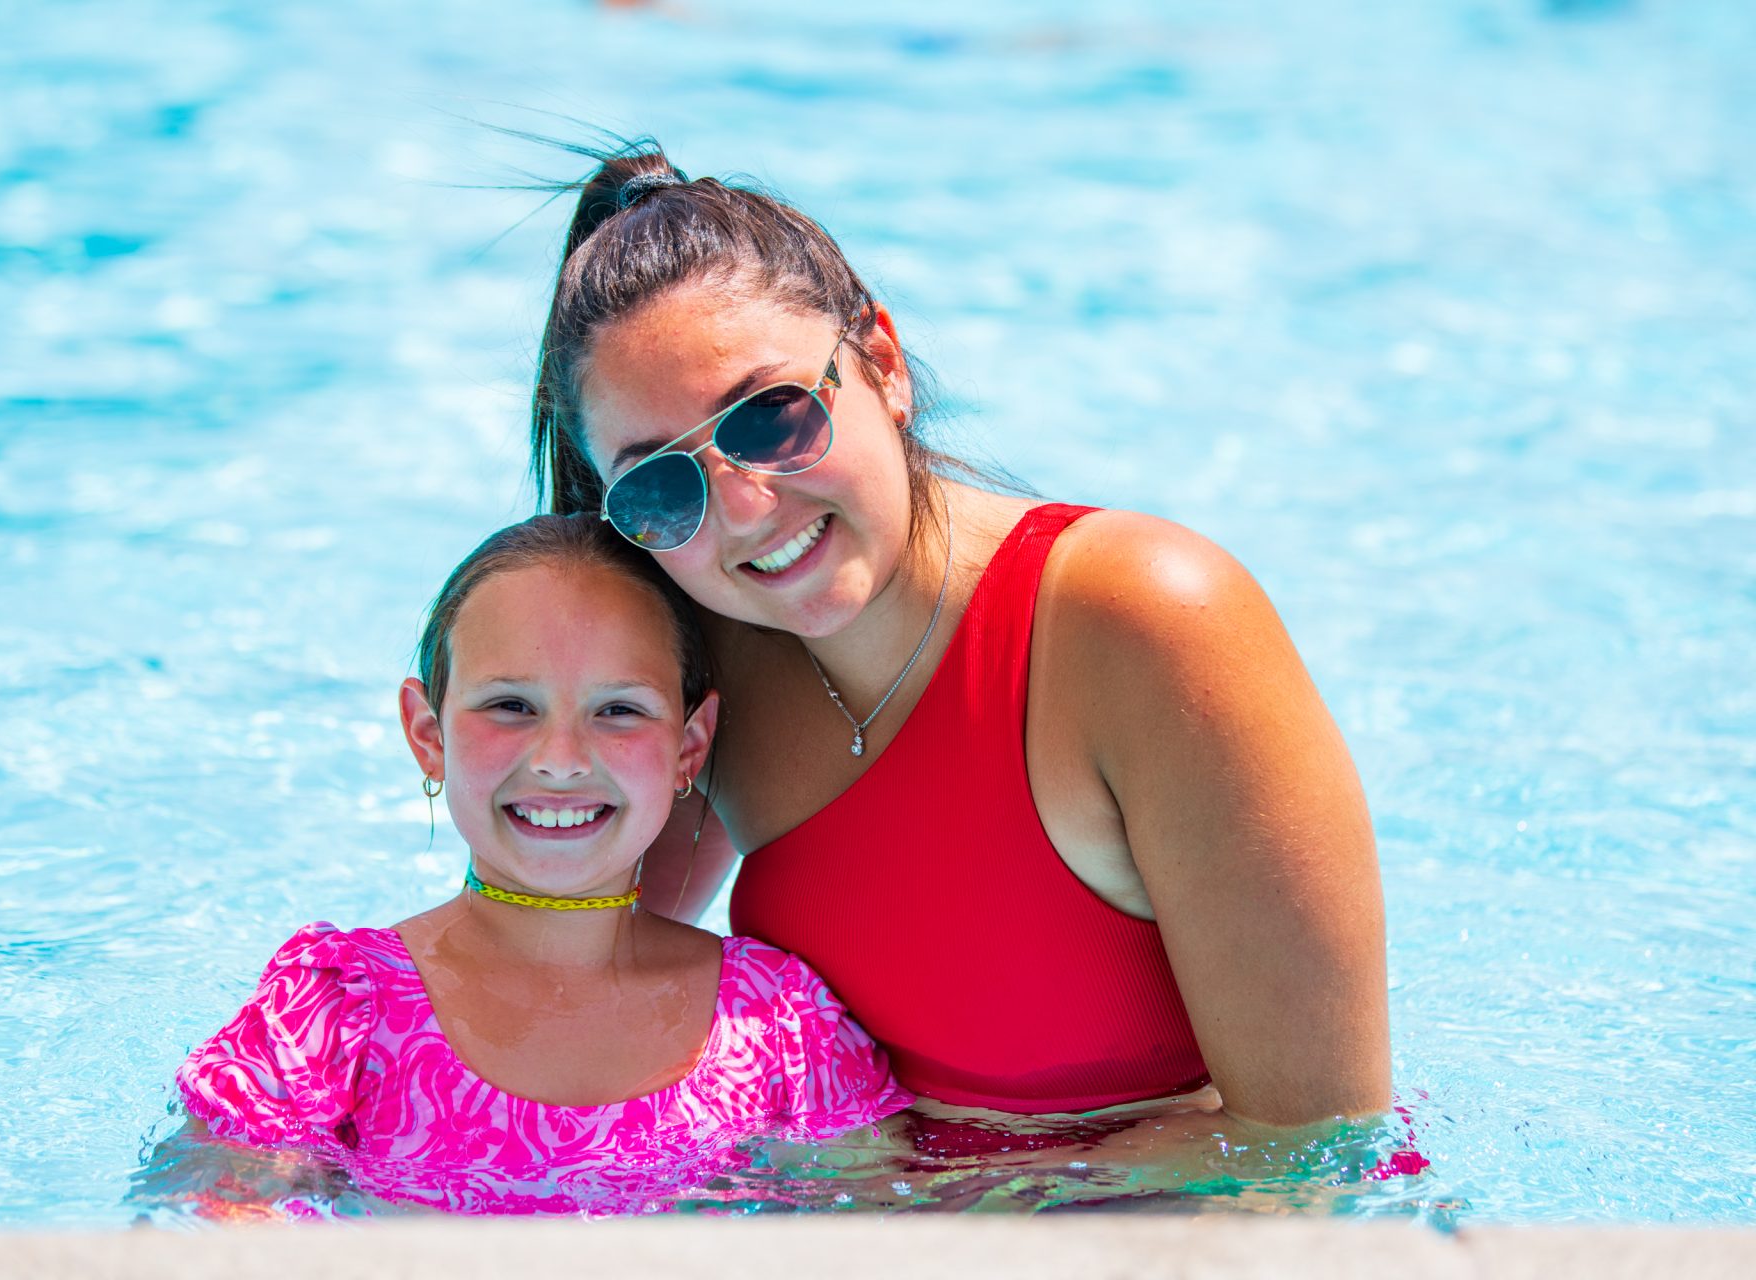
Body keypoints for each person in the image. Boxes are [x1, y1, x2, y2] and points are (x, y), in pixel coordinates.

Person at [527, 144, 1392, 1129]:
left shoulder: (1147, 623)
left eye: (770, 418)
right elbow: (560, 961)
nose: (745, 507)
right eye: (660, 485)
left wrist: (923, 1207)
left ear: (883, 365)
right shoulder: (709, 663)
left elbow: (1318, 1150)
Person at [174, 515, 911, 1214]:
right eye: (511, 706)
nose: (561, 761)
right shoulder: (334, 1016)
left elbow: (885, 1234)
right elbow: (210, 1226)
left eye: (618, 710)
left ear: (689, 747)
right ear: (428, 736)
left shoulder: (777, 1025)